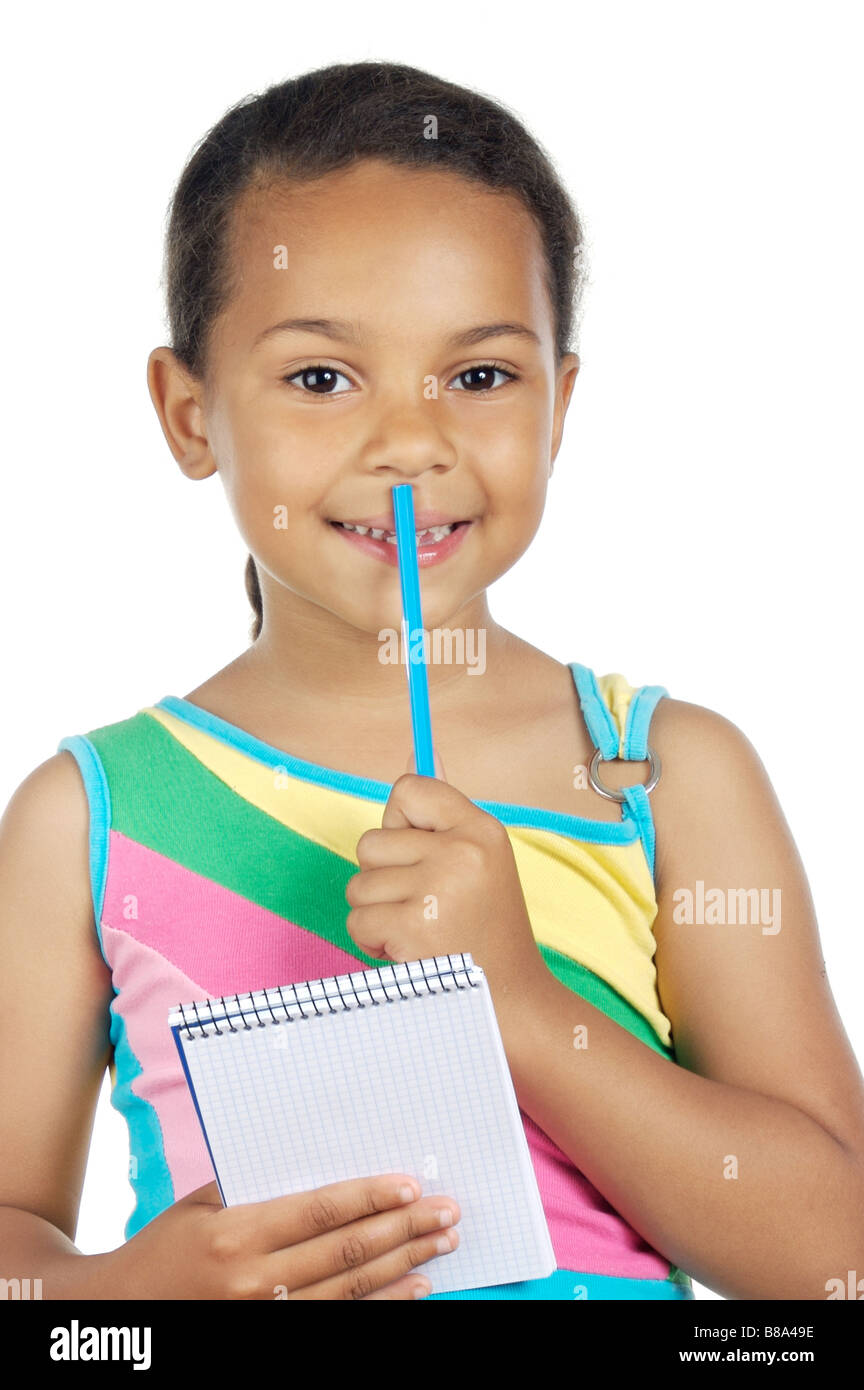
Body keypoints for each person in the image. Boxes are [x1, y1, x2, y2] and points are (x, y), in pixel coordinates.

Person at [2, 60, 863, 1303]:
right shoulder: (86, 815)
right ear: (188, 414)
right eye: (320, 377)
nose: (412, 444)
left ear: (560, 406)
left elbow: (829, 1252)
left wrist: (515, 1001)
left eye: (480, 376)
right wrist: (130, 1293)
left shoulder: (665, 773)